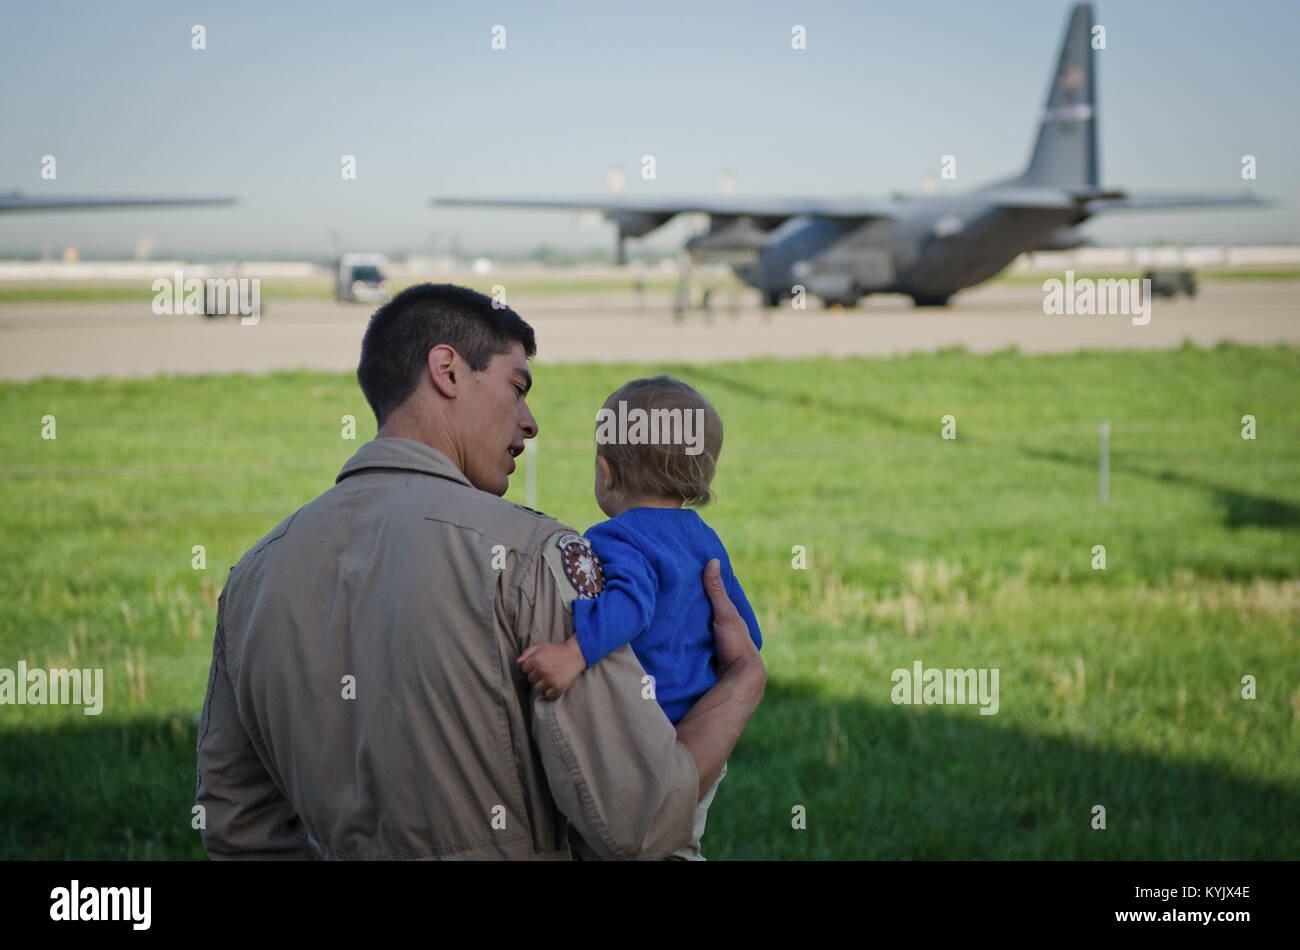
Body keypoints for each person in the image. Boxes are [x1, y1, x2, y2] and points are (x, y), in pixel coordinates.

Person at [194, 284, 764, 861]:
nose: (531, 423)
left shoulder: (252, 577)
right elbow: (639, 824)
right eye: (516, 388)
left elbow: (238, 828)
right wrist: (742, 685)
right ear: (446, 370)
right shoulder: (532, 556)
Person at [517, 376, 761, 860]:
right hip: (703, 736)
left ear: (606, 472)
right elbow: (745, 631)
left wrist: (572, 654)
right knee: (680, 838)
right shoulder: (703, 537)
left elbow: (632, 605)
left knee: (618, 843)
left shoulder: (617, 537)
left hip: (645, 734)